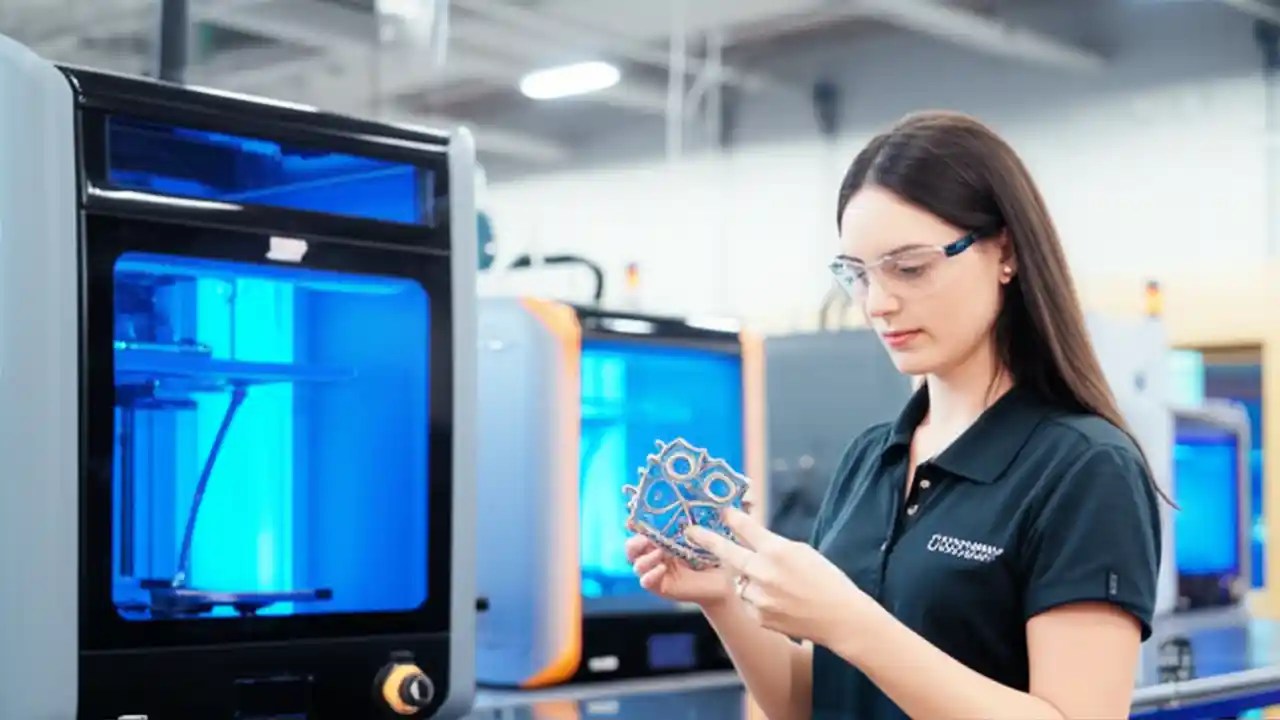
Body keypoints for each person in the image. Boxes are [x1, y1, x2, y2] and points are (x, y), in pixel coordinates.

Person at [624, 110, 1165, 720]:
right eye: (856, 275)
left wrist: (852, 623)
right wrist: (722, 596)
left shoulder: (1084, 469)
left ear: (1005, 252)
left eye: (910, 268)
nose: (878, 303)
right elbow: (814, 701)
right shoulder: (871, 458)